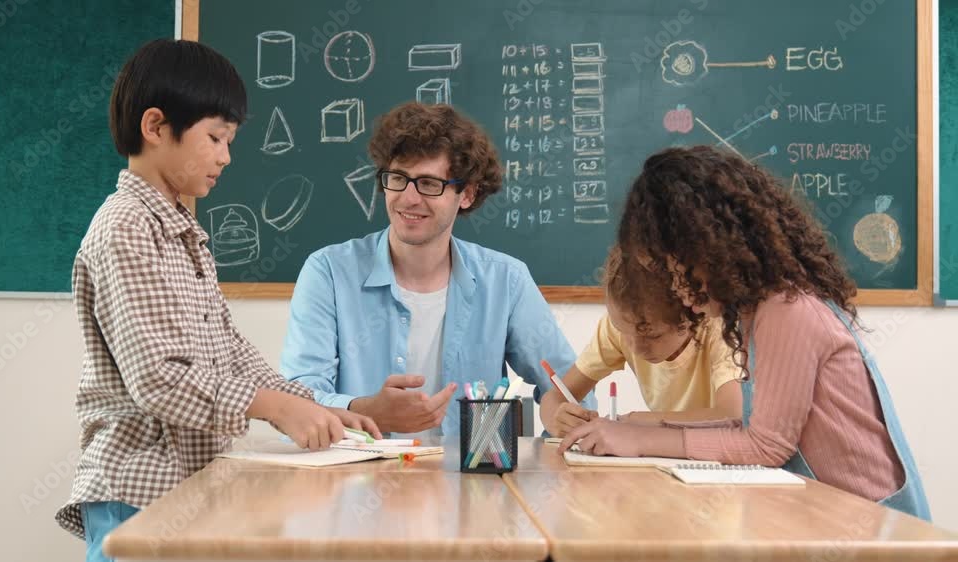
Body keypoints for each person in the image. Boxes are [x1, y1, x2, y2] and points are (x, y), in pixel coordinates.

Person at [55, 39, 379, 560]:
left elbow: (228, 349)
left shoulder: (183, 230)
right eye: (216, 138)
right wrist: (274, 407)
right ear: (156, 127)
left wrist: (313, 406)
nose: (227, 157)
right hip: (139, 489)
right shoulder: (126, 229)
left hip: (188, 484)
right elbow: (159, 379)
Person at [561, 145, 930, 520]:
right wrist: (641, 426)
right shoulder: (758, 311)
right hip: (829, 515)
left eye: (679, 270)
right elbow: (751, 426)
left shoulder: (787, 311)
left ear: (715, 250)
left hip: (874, 526)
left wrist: (640, 439)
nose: (679, 291)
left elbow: (766, 445)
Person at [281, 101, 593, 439]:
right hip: (358, 482)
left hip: (470, 486)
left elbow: (571, 388)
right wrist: (366, 410)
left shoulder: (506, 280)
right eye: (398, 179)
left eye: (429, 184)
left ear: (467, 194)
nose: (409, 198)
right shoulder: (328, 271)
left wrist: (559, 423)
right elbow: (297, 398)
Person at [540, 246, 742, 437]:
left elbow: (731, 415)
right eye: (623, 331)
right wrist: (555, 417)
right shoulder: (617, 327)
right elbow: (554, 397)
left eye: (653, 336)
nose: (635, 347)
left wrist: (633, 422)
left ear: (690, 314)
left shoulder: (720, 329)